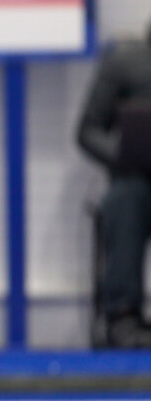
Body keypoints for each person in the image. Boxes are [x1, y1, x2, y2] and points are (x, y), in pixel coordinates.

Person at [76, 20, 151, 347]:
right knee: (125, 198)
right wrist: (122, 155)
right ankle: (123, 316)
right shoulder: (124, 62)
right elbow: (87, 130)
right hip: (137, 180)